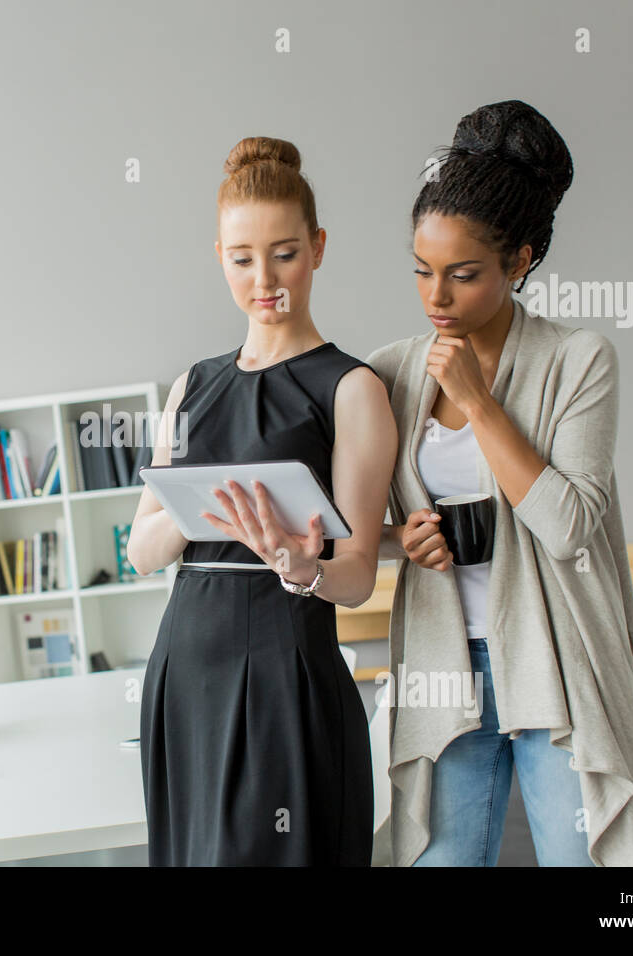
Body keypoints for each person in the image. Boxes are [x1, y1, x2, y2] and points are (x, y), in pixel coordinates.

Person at [367, 100, 633, 866]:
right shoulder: (392, 372)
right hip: (443, 662)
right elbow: (359, 523)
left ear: (520, 262)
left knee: (582, 857)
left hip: (556, 658)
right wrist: (402, 538)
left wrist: (478, 403)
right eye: (422, 271)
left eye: (463, 275)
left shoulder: (579, 360)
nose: (436, 297)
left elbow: (569, 525)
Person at [128, 136, 398, 865]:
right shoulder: (193, 386)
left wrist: (300, 566)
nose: (264, 279)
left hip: (285, 668)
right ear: (219, 256)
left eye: (284, 254)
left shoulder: (351, 389)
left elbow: (357, 573)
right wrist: (203, 503)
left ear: (317, 248)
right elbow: (141, 551)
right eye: (243, 259)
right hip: (185, 673)